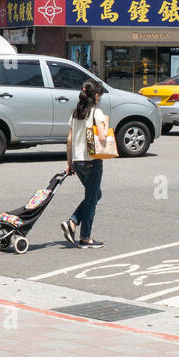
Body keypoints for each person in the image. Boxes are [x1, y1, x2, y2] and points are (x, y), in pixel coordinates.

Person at [61, 80, 108, 248]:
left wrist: (70, 163)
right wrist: (106, 125)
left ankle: (73, 222)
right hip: (92, 160)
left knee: (94, 195)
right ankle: (85, 238)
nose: (100, 99)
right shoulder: (96, 113)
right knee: (92, 197)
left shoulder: (75, 115)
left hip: (78, 162)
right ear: (95, 96)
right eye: (99, 96)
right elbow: (102, 137)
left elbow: (69, 140)